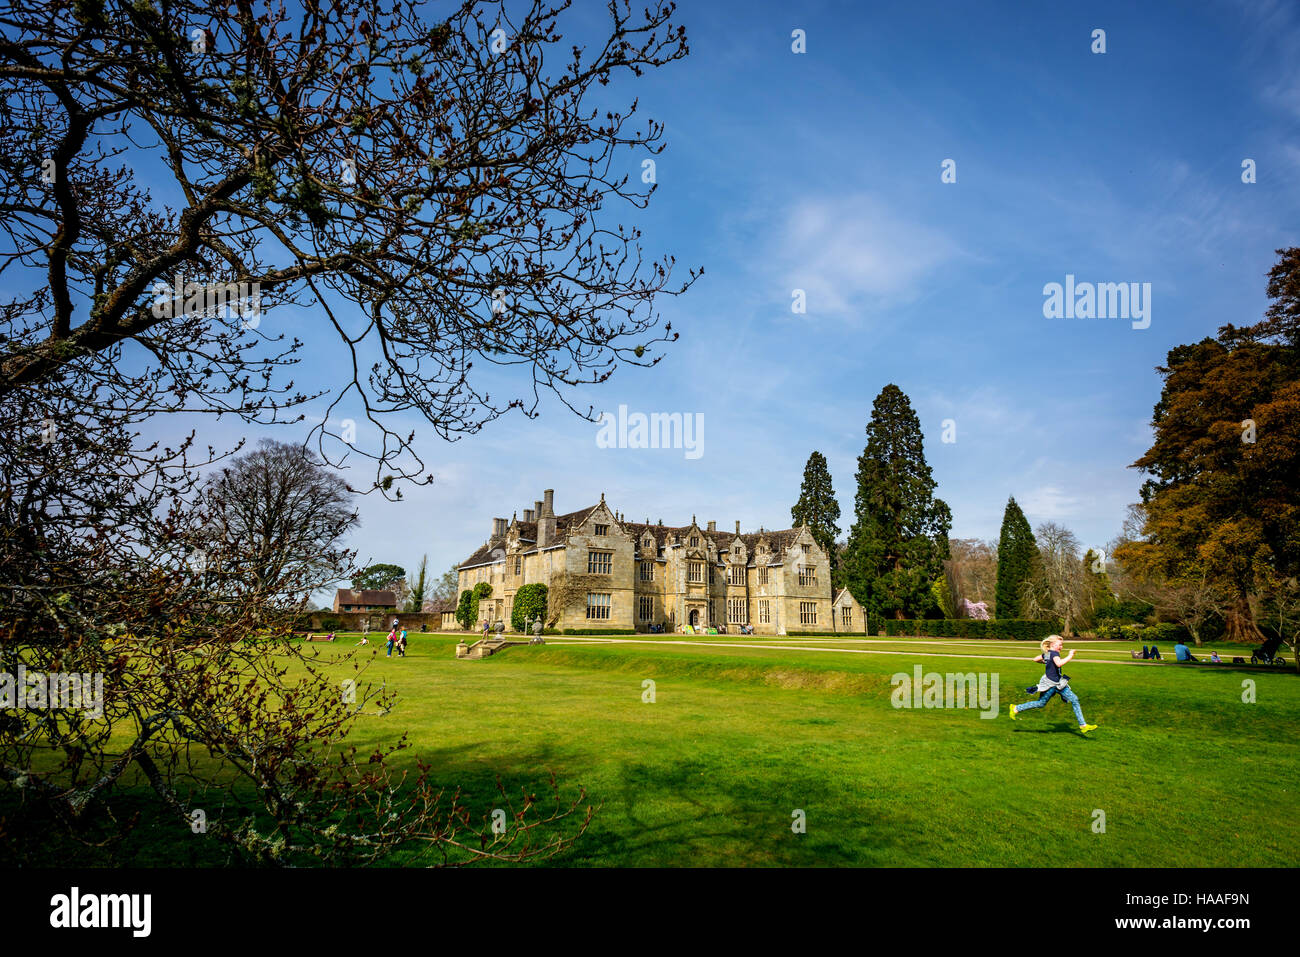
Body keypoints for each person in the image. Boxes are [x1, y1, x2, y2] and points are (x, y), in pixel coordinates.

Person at [1010, 635, 1098, 734]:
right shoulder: (1054, 653)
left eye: (1062, 645)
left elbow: (1035, 659)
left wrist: (1047, 662)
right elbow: (1059, 663)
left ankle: (1083, 725)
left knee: (1073, 699)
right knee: (1041, 703)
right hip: (1051, 685)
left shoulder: (1048, 653)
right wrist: (1070, 655)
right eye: (1060, 645)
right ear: (1052, 644)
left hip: (1058, 683)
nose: (1061, 647)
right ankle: (1016, 708)